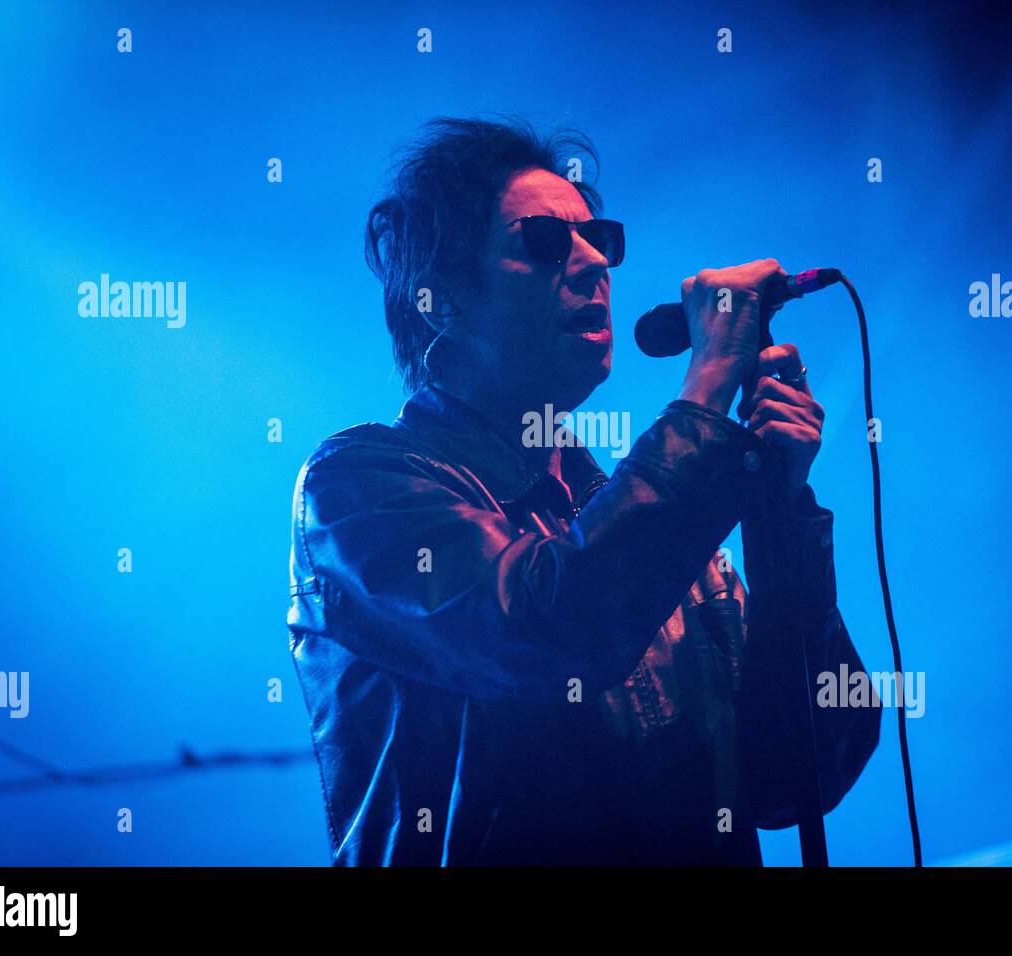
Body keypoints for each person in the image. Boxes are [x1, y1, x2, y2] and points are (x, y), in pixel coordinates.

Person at [287, 116, 879, 865]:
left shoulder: (655, 521)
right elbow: (549, 629)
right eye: (542, 241)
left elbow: (800, 779)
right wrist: (706, 390)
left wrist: (779, 516)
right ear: (442, 301)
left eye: (601, 238)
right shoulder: (357, 488)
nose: (595, 260)